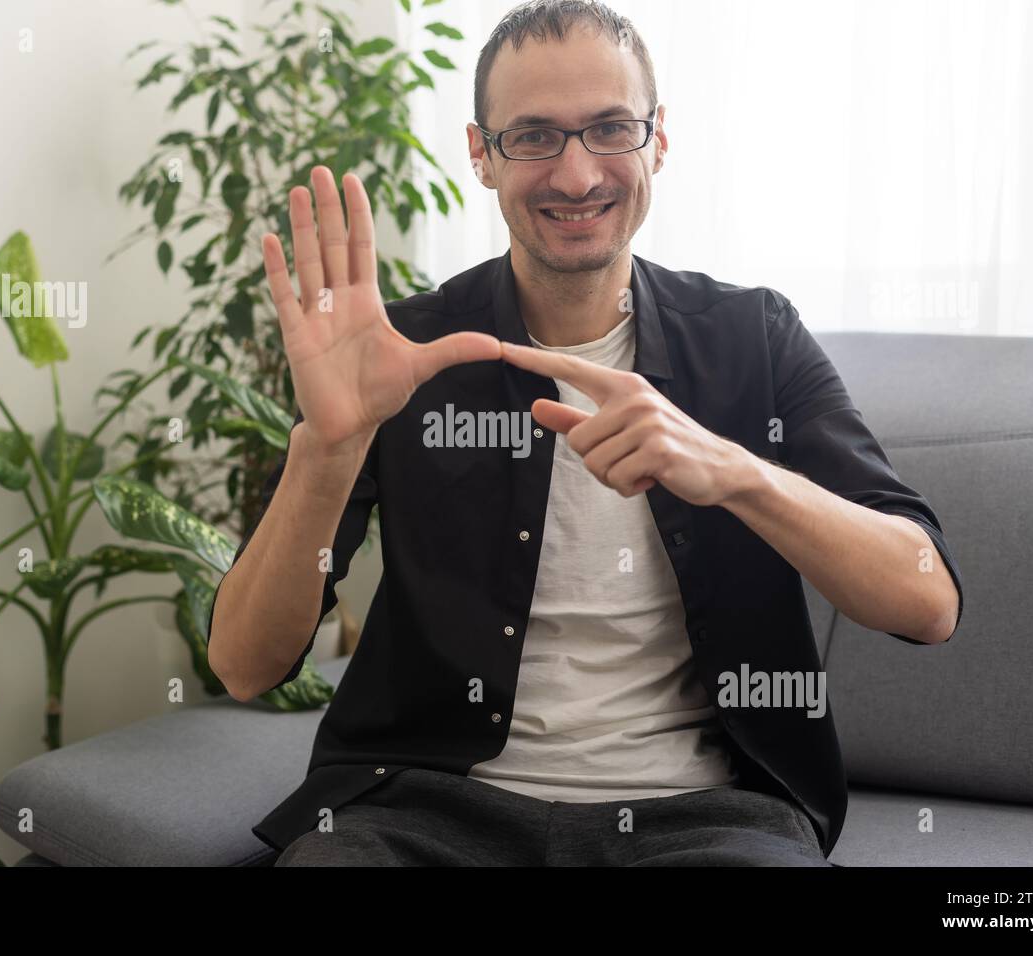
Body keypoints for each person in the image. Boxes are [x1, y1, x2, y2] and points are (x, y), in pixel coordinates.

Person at [206, 0, 964, 867]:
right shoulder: (401, 354)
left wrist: (732, 470)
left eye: (610, 129)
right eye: (533, 137)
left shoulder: (755, 334)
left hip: (708, 818)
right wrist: (328, 451)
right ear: (481, 156)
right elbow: (243, 664)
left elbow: (926, 600)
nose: (576, 176)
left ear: (658, 141)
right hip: (420, 811)